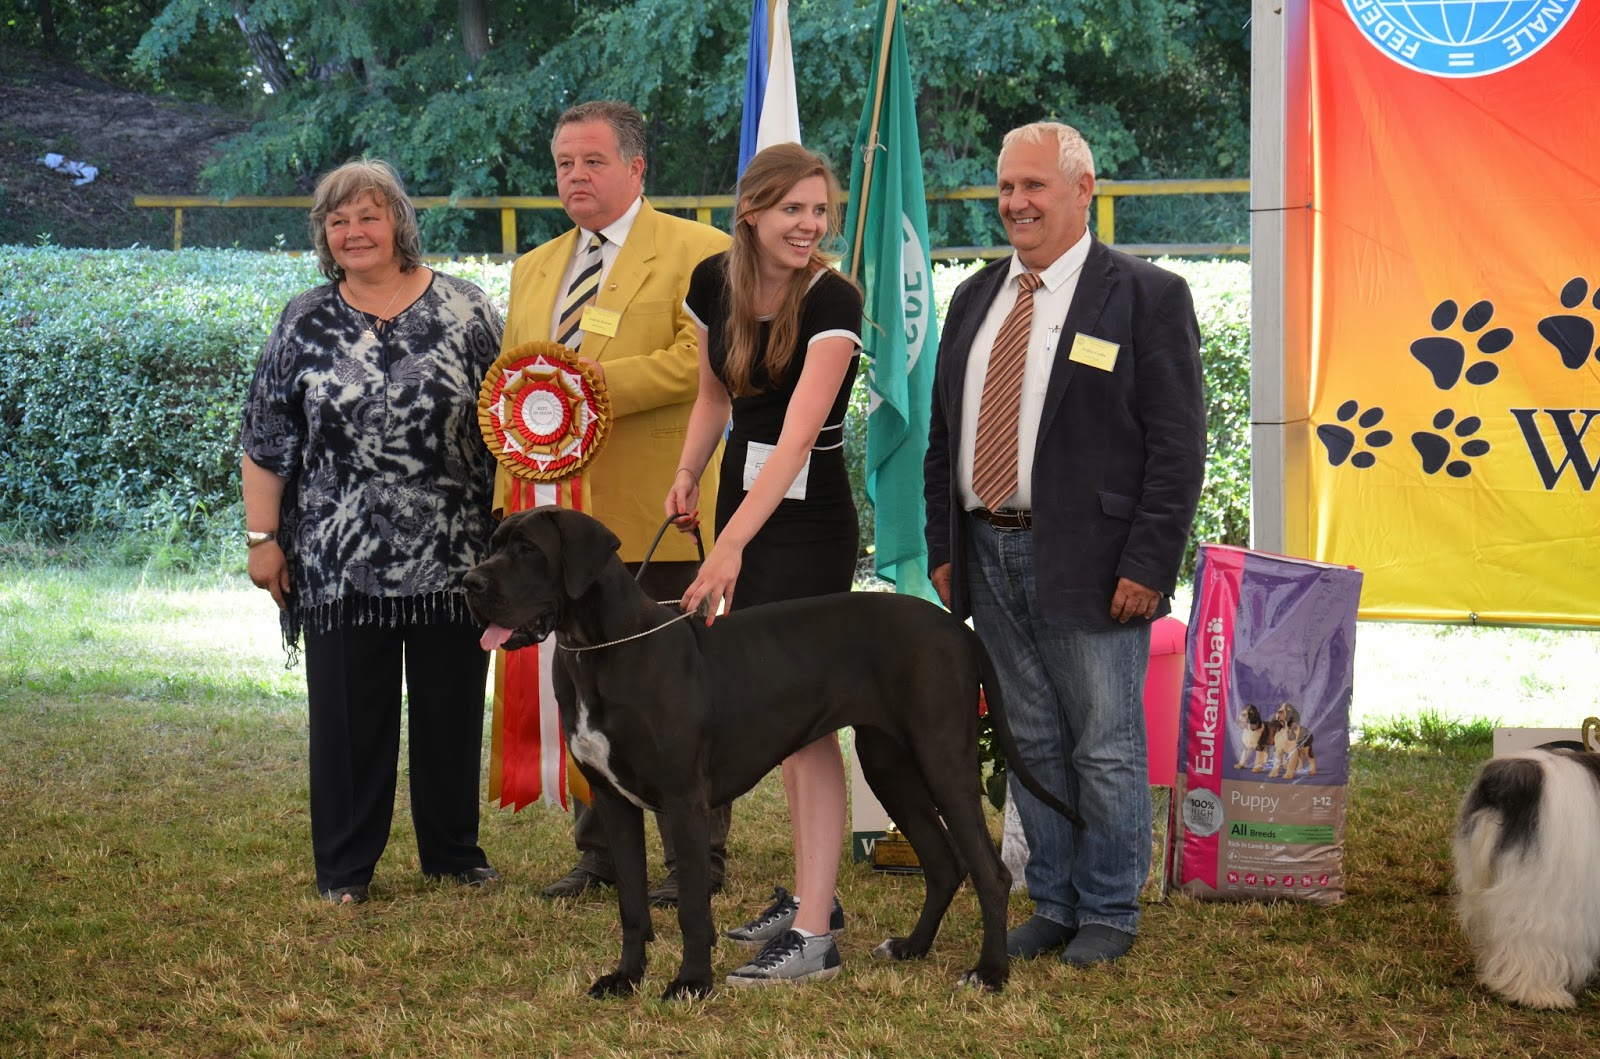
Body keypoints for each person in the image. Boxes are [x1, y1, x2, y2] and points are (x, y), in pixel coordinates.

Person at [923, 122, 1206, 966]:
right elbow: (946, 436)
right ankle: (1054, 900)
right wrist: (946, 545)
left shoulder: (1147, 296)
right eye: (1006, 186)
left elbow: (1178, 447)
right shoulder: (974, 297)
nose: (1015, 202)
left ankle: (1111, 911)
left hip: (1095, 562)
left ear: (1085, 190)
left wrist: (1149, 565)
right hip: (986, 553)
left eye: (1034, 186)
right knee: (1032, 740)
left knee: (1105, 744)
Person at [241, 158, 505, 905]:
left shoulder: (467, 310)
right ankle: (346, 869)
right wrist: (264, 540)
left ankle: (453, 853)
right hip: (336, 557)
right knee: (348, 722)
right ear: (325, 235)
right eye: (337, 219)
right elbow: (266, 436)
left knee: (451, 712)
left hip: (455, 554)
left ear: (399, 222)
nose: (353, 231)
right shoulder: (302, 319)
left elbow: (512, 424)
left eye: (367, 215)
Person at [494, 100, 732, 906]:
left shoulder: (701, 251)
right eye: (564, 163)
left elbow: (704, 367)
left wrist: (585, 387)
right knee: (587, 686)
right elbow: (510, 399)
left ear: (636, 168)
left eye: (593, 161)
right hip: (560, 527)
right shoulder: (533, 267)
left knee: (676, 691)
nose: (575, 177)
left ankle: (698, 858)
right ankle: (600, 851)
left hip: (662, 508)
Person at [666, 142, 863, 987]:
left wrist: (732, 545)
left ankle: (815, 933)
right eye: (794, 210)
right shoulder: (716, 280)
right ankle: (811, 892)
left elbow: (791, 443)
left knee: (807, 720)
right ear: (751, 211)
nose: (809, 226)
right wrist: (685, 472)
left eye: (820, 212)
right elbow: (717, 396)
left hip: (806, 522)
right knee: (781, 723)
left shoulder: (835, 297)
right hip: (739, 509)